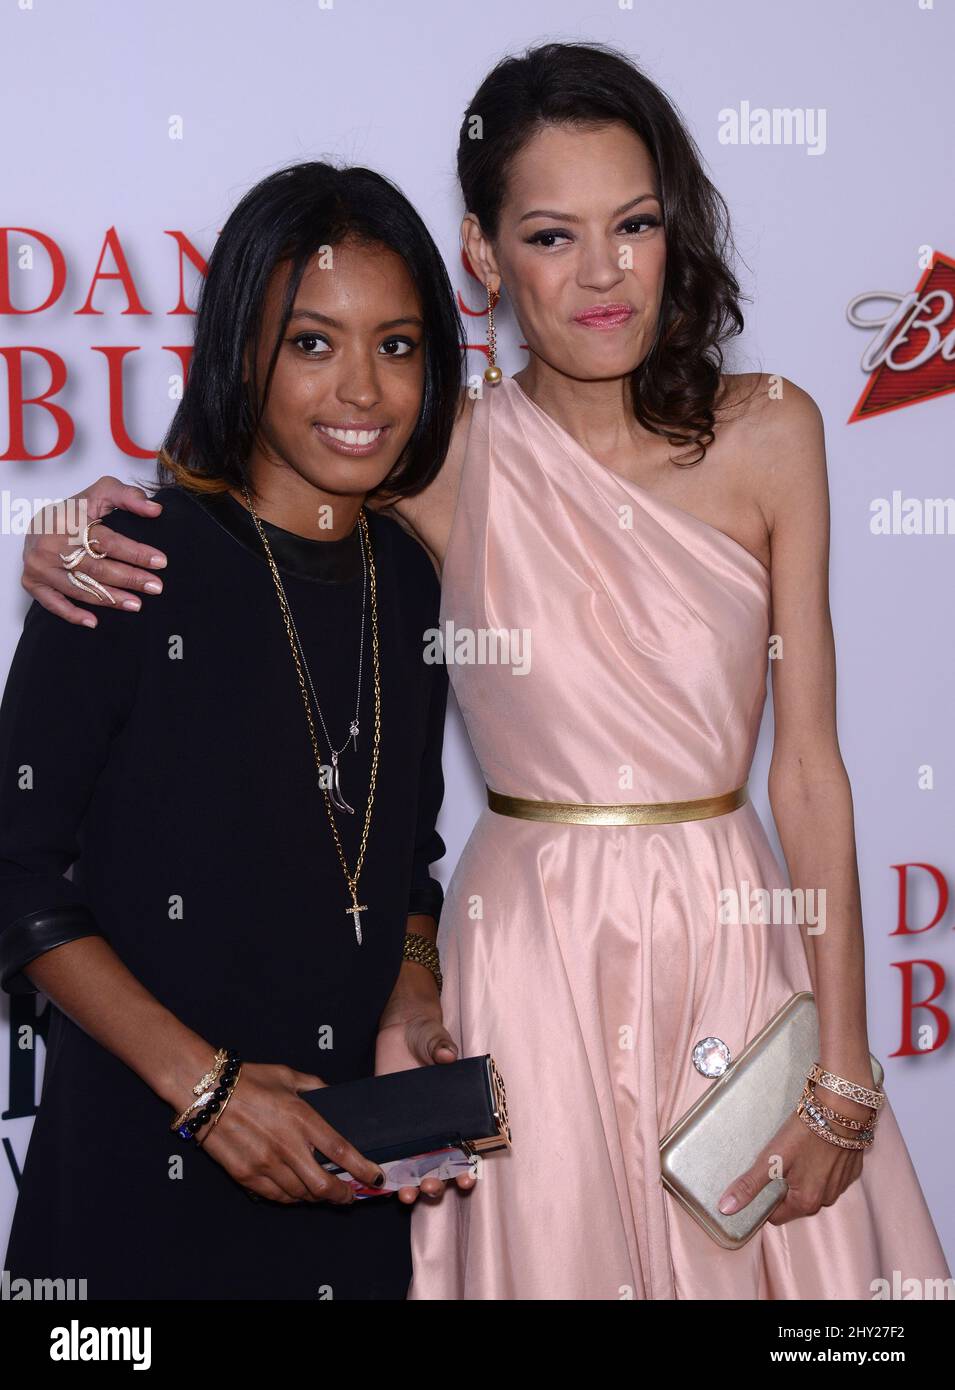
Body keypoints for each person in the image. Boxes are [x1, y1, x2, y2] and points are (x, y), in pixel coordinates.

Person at [16, 43, 951, 1300]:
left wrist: (845, 1067)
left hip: (727, 930)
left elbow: (813, 772)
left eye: (634, 223)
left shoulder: (774, 428)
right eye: (553, 235)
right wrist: (65, 524)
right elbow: (252, 487)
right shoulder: (433, 454)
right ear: (484, 253)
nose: (605, 272)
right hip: (528, 954)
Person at [0, 159, 472, 1300]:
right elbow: (13, 870)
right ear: (240, 352)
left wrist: (413, 994)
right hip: (138, 1175)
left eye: (397, 344)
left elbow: (404, 859)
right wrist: (207, 1092)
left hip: (345, 1184)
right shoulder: (130, 559)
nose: (361, 389)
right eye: (313, 342)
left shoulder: (412, 581)